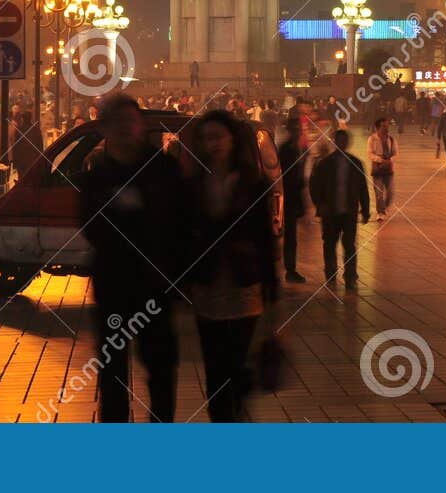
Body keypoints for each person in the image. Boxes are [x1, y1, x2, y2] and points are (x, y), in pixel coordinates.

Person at [79, 95, 185, 422]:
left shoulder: (163, 168)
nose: (125, 127)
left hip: (155, 283)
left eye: (131, 120)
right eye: (118, 122)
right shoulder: (96, 174)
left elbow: (179, 221)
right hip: (113, 284)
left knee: (161, 367)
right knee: (112, 370)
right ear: (105, 128)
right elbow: (89, 223)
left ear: (141, 125)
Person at [182, 110, 278, 422]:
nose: (213, 144)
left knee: (236, 363)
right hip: (208, 290)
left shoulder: (253, 183)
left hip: (244, 289)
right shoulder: (195, 184)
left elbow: (265, 240)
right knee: (214, 367)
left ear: (232, 139)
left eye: (218, 136)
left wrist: (272, 289)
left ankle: (235, 415)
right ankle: (222, 417)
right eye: (206, 138)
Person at [309, 127, 369, 290]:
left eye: (344, 141)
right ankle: (330, 273)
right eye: (339, 141)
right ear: (335, 142)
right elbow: (314, 186)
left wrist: (365, 209)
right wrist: (320, 204)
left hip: (349, 212)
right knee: (329, 244)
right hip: (330, 212)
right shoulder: (325, 164)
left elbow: (362, 188)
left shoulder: (356, 163)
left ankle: (350, 276)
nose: (342, 143)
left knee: (349, 245)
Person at [276, 114, 310, 284]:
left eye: (300, 129)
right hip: (285, 197)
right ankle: (286, 269)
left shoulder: (300, 148)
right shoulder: (285, 149)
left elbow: (300, 177)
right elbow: (285, 176)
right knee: (286, 235)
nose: (298, 132)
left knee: (291, 236)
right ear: (290, 130)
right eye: (296, 129)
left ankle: (290, 269)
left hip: (294, 197)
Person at [367, 115, 397, 220]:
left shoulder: (391, 139)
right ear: (377, 128)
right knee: (379, 193)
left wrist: (389, 161)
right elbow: (369, 154)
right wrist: (380, 160)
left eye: (387, 126)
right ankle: (380, 212)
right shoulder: (372, 139)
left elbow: (395, 153)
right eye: (383, 126)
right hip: (378, 168)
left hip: (389, 168)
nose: (386, 128)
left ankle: (384, 207)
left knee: (390, 192)